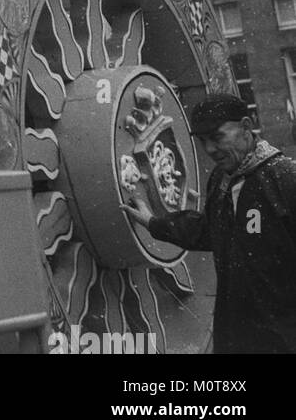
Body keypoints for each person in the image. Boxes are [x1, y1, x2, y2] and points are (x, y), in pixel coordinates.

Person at [123, 94, 296, 354]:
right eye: (203, 141)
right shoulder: (221, 178)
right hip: (235, 336)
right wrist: (153, 222)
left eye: (217, 137)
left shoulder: (286, 180)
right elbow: (210, 229)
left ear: (247, 127)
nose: (210, 150)